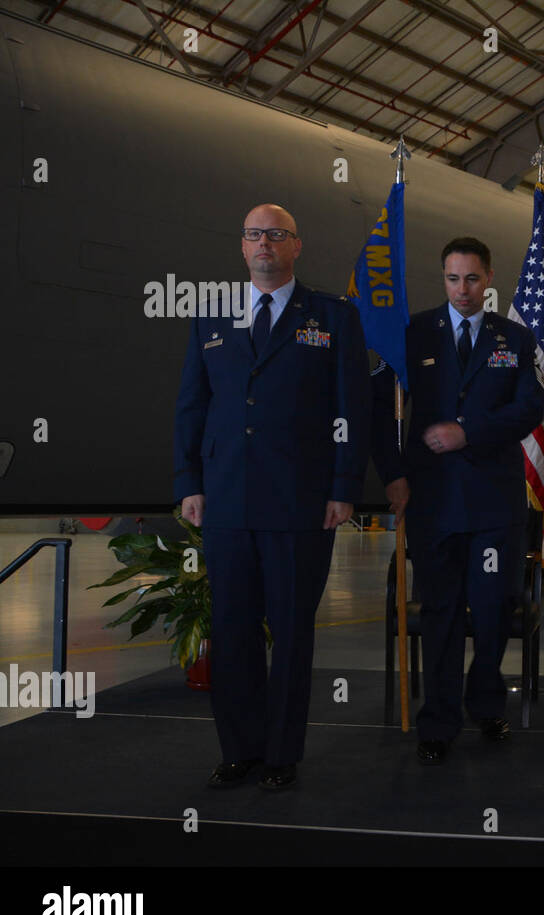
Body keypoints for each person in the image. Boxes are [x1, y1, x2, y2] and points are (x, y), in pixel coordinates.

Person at [174, 203, 371, 791]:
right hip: (227, 502)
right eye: (255, 235)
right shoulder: (209, 319)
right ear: (242, 247)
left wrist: (342, 488)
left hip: (300, 503)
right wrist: (189, 483)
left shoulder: (333, 318)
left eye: (276, 235)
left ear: (296, 247)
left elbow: (351, 411)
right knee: (232, 632)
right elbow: (192, 407)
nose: (265, 244)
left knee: (290, 632)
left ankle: (282, 753)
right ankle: (241, 749)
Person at [370, 237, 544, 765]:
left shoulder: (515, 339)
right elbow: (381, 410)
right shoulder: (413, 332)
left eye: (471, 278)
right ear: (442, 278)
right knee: (442, 611)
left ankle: (486, 702)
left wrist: (470, 431)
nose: (462, 290)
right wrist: (394, 476)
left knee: (493, 610)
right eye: (452, 278)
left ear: (489, 277)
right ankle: (439, 722)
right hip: (433, 503)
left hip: (494, 505)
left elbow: (530, 409)